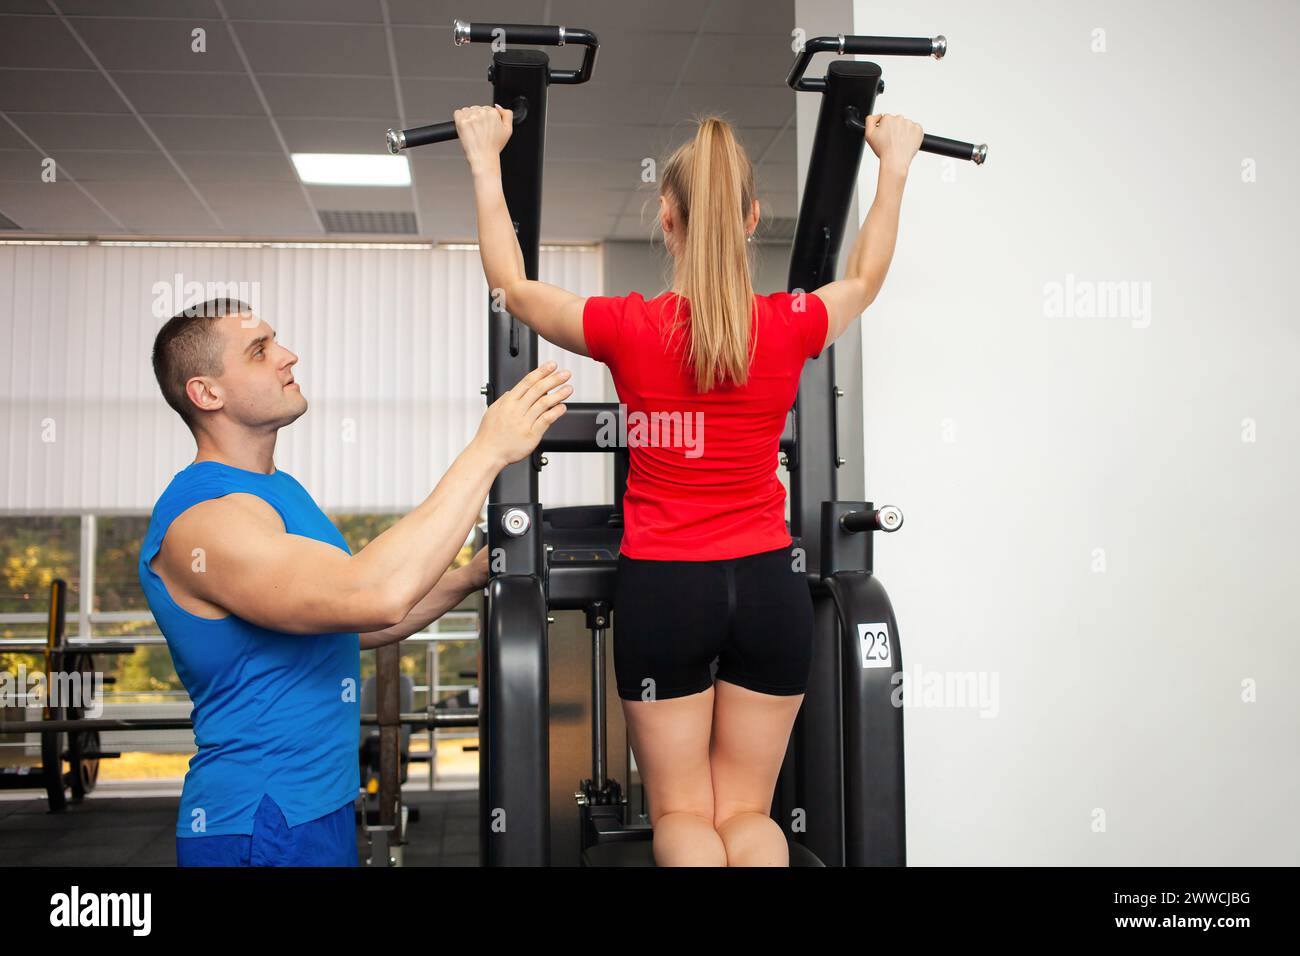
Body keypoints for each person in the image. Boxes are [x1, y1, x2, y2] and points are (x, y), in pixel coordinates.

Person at [455, 103, 922, 866]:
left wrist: (483, 156)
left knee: (681, 814)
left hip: (668, 592)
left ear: (666, 217)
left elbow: (510, 283)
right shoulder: (789, 323)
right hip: (769, 589)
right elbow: (866, 279)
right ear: (752, 218)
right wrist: (894, 165)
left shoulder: (628, 325)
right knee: (746, 813)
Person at [137, 297, 571, 866]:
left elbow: (353, 624)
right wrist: (488, 450)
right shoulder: (207, 518)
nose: (288, 356)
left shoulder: (280, 491)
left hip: (321, 806)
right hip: (259, 819)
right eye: (260, 350)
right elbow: (372, 594)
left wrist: (468, 575)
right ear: (207, 393)